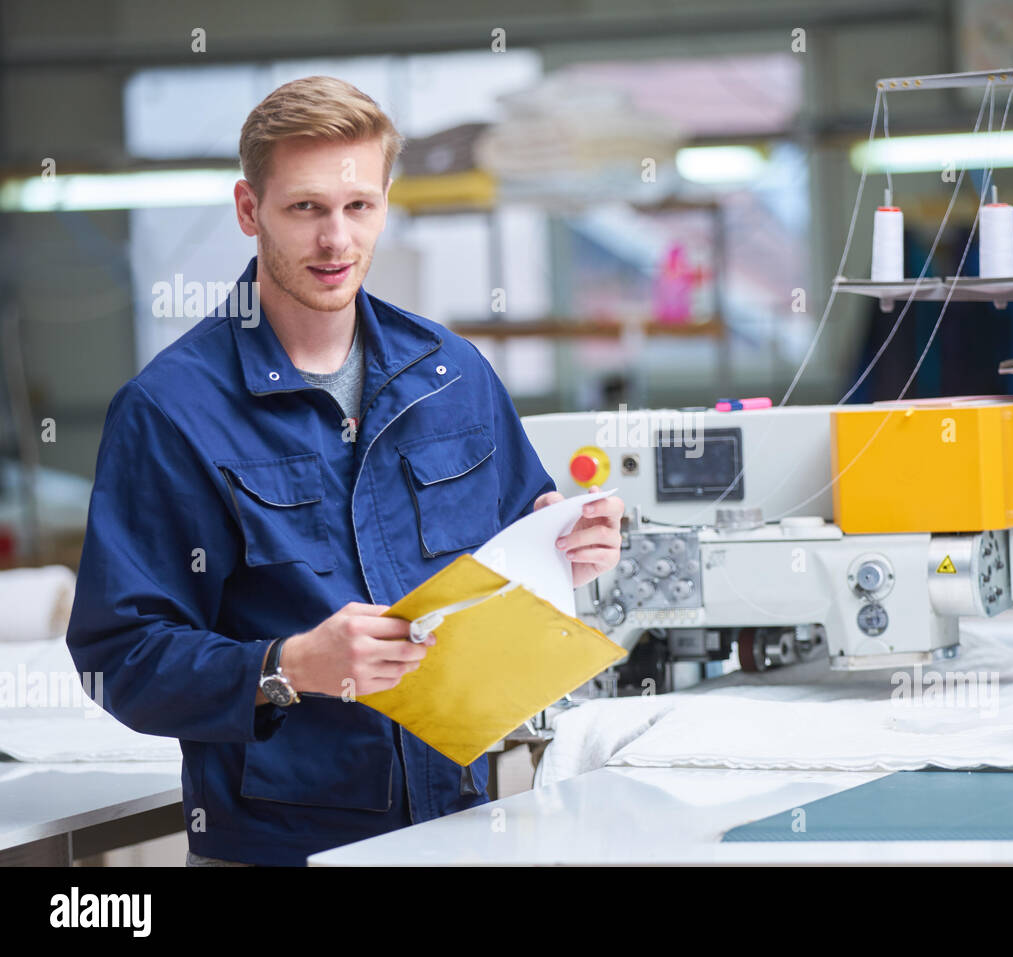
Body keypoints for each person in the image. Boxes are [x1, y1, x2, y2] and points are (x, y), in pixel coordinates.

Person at [65, 76, 624, 866]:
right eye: (306, 208)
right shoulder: (170, 410)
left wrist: (575, 544)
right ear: (248, 210)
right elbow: (115, 659)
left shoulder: (452, 375)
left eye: (359, 206)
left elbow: (514, 562)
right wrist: (286, 667)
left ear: (385, 202)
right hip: (274, 851)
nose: (336, 239)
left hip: (457, 830)